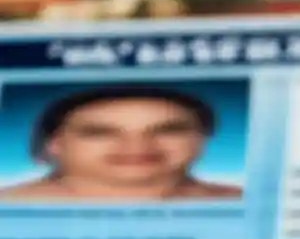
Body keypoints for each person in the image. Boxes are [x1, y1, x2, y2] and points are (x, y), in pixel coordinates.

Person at [0, 86, 241, 202]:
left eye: (168, 130)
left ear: (201, 139)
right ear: (54, 144)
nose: (137, 146)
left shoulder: (246, 203)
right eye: (101, 133)